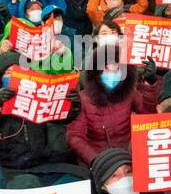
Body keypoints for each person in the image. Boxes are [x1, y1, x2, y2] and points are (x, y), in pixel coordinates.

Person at [66, 38, 162, 167]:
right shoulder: (83, 98)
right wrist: (97, 161)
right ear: (97, 73)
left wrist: (149, 82)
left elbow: (148, 114)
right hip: (96, 161)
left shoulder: (129, 92)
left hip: (127, 156)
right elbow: (75, 137)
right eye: (106, 68)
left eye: (116, 68)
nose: (112, 73)